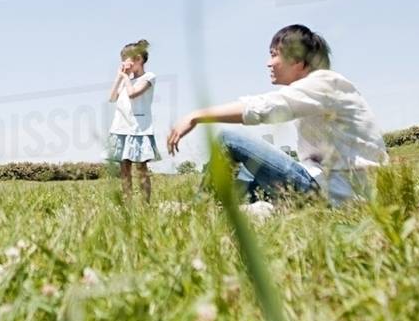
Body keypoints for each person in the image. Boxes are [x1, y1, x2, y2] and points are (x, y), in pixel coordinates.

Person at [166, 25, 387, 205]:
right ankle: (226, 208)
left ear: (298, 60)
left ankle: (198, 207)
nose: (268, 63)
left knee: (228, 140)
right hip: (331, 187)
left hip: (336, 192)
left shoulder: (324, 84)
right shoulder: (317, 89)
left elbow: (263, 107)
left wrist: (197, 115)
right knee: (245, 174)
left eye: (274, 55)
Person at [107, 38, 160, 200]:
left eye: (126, 59)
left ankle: (145, 204)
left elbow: (133, 94)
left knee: (141, 168)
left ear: (139, 59)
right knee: (124, 168)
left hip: (139, 128)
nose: (124, 63)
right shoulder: (126, 80)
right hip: (120, 127)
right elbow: (111, 97)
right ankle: (127, 202)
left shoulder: (149, 77)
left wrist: (125, 78)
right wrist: (120, 77)